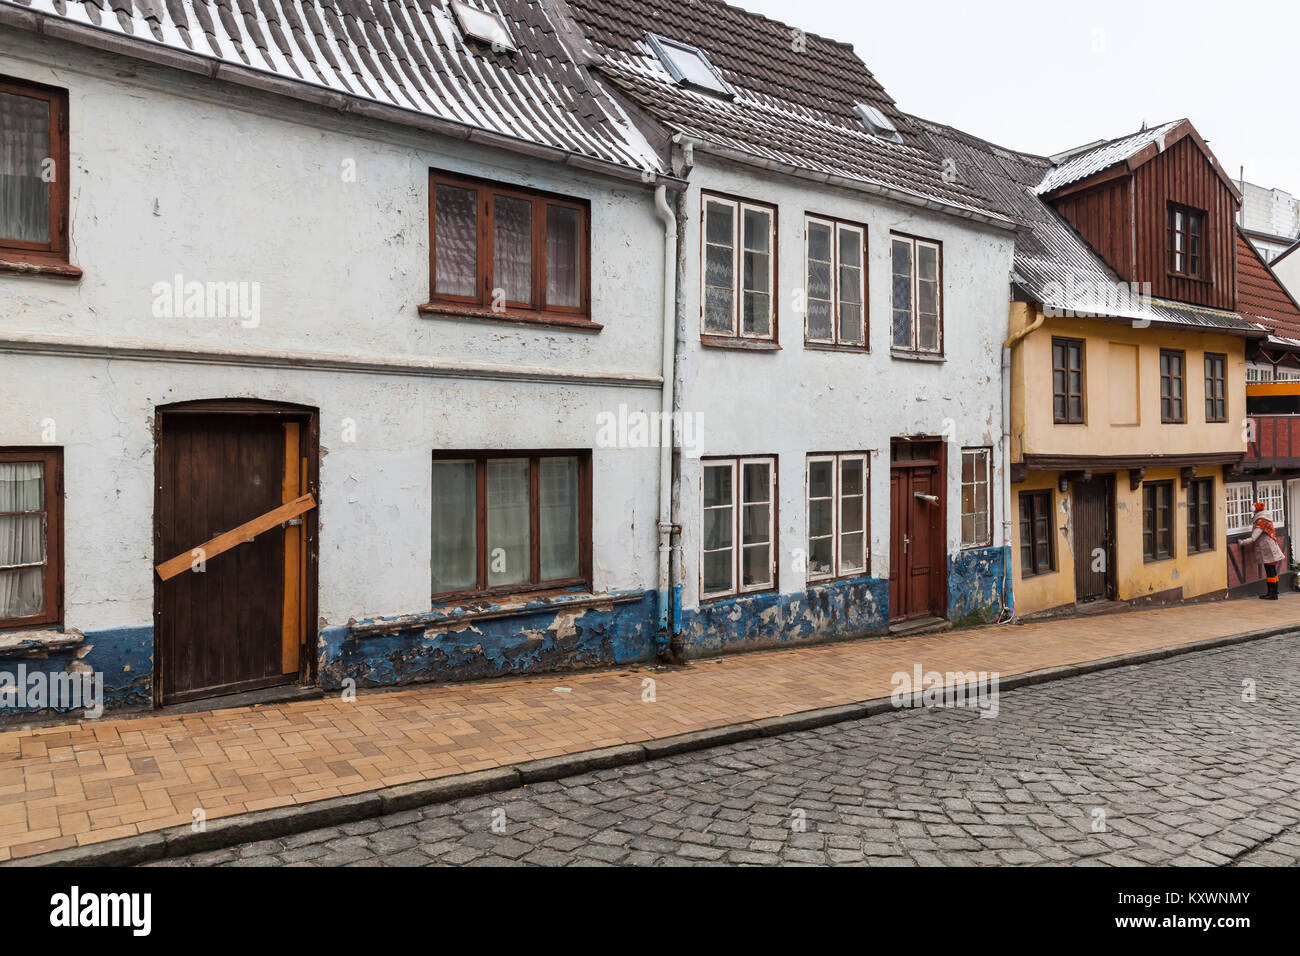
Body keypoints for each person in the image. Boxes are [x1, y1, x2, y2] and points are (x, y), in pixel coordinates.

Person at [1247, 501, 1285, 600]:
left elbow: (1254, 536)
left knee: (1270, 571)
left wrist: (1243, 542)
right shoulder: (1266, 518)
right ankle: (1274, 593)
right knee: (1272, 570)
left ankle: (1272, 594)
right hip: (1271, 547)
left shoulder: (1261, 521)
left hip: (1267, 549)